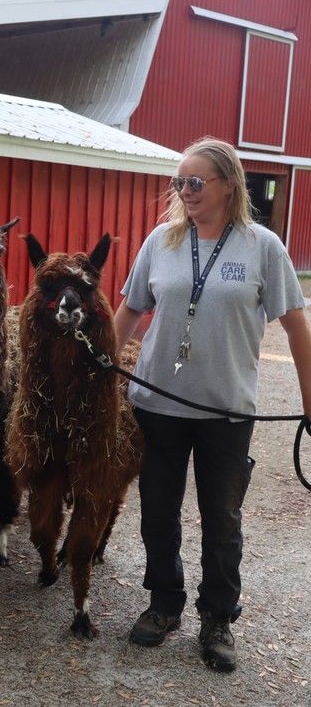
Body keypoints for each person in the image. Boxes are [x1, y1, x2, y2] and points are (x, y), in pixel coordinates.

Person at [114, 136, 311, 673]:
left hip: (227, 412)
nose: (185, 191)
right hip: (158, 405)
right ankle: (163, 603)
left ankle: (218, 616)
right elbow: (130, 310)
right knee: (157, 512)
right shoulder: (161, 241)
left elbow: (297, 329)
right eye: (180, 182)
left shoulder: (263, 247)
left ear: (229, 185)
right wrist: (98, 376)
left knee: (221, 519)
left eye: (196, 182)